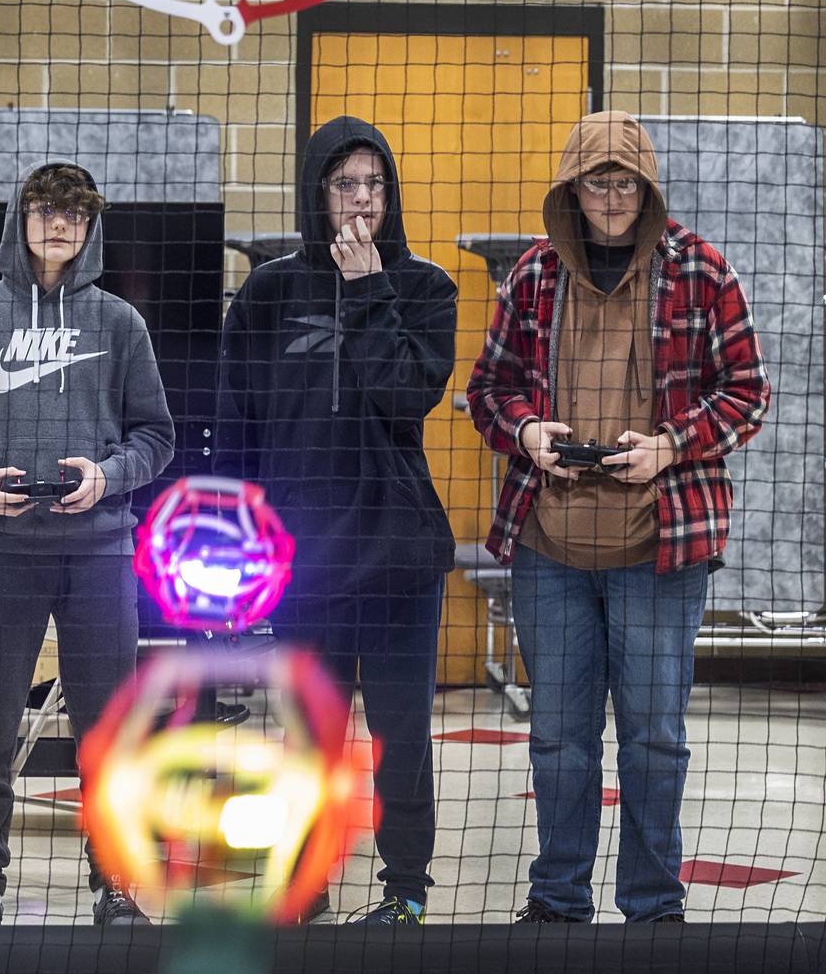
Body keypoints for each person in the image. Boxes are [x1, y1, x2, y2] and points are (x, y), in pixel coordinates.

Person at [466, 110, 768, 925]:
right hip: (550, 545)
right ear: (570, 190)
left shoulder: (703, 271)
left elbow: (749, 393)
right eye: (595, 181)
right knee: (560, 743)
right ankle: (558, 904)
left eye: (625, 181)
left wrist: (672, 446)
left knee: (654, 741)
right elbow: (485, 391)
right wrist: (528, 432)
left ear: (649, 188)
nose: (610, 196)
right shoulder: (532, 275)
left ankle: (653, 906)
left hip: (659, 547)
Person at [0, 160, 175, 927]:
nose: (59, 224)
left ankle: (115, 882)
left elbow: (156, 435)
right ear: (20, 218)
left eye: (75, 214)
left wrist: (110, 474)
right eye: (45, 209)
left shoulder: (121, 323)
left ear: (91, 228)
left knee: (109, 728)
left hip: (98, 554)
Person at [215, 116, 457, 926]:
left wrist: (368, 289)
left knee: (400, 740)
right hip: (304, 561)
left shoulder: (425, 288)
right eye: (344, 184)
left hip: (395, 556)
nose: (361, 201)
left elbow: (405, 395)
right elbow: (238, 424)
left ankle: (408, 891)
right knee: (306, 739)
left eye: (374, 185)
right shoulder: (268, 291)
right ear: (316, 192)